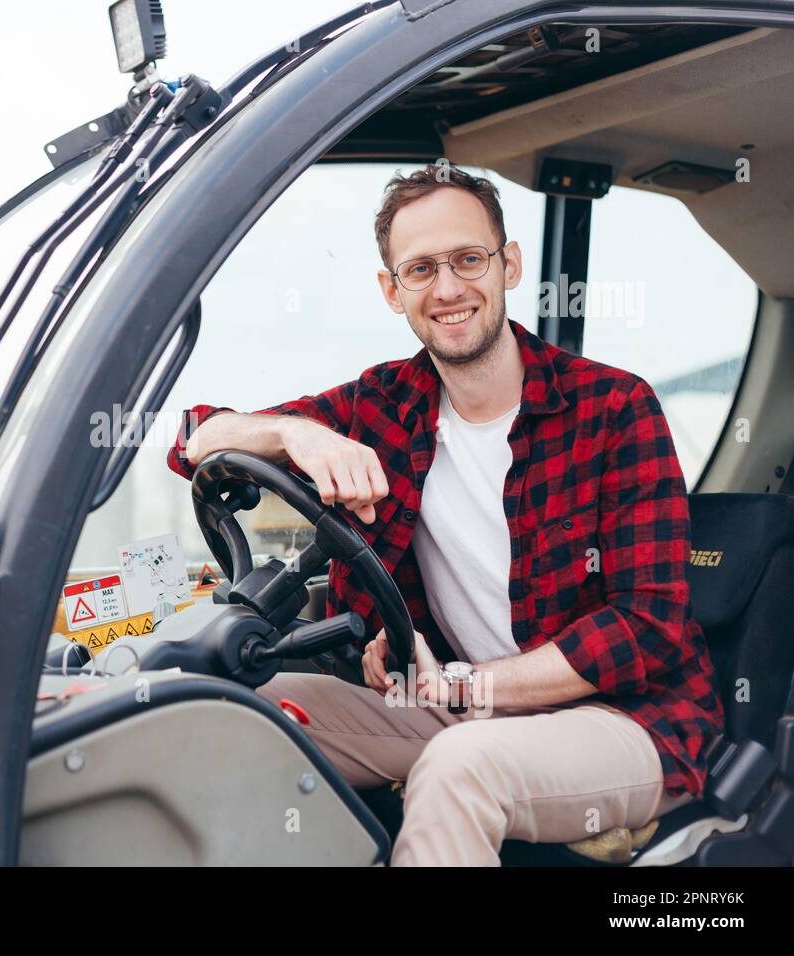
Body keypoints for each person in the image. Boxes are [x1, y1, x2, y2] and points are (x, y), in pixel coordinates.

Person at [166, 163, 724, 865]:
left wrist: (470, 683)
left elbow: (646, 631)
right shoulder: (381, 406)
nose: (450, 288)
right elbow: (195, 439)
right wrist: (293, 434)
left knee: (461, 767)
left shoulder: (615, 410)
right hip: (453, 705)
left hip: (625, 721)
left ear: (509, 265)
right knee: (217, 715)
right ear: (392, 291)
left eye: (468, 259)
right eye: (422, 269)